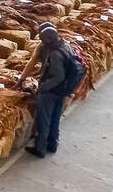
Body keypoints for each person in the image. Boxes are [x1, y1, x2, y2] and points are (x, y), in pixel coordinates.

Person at [22, 24, 78, 157]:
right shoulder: (65, 45)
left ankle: (40, 148)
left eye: (42, 38)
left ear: (49, 39)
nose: (41, 41)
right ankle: (52, 144)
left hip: (52, 92)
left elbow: (58, 76)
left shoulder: (55, 54)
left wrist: (42, 88)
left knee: (44, 119)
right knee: (55, 118)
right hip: (63, 90)